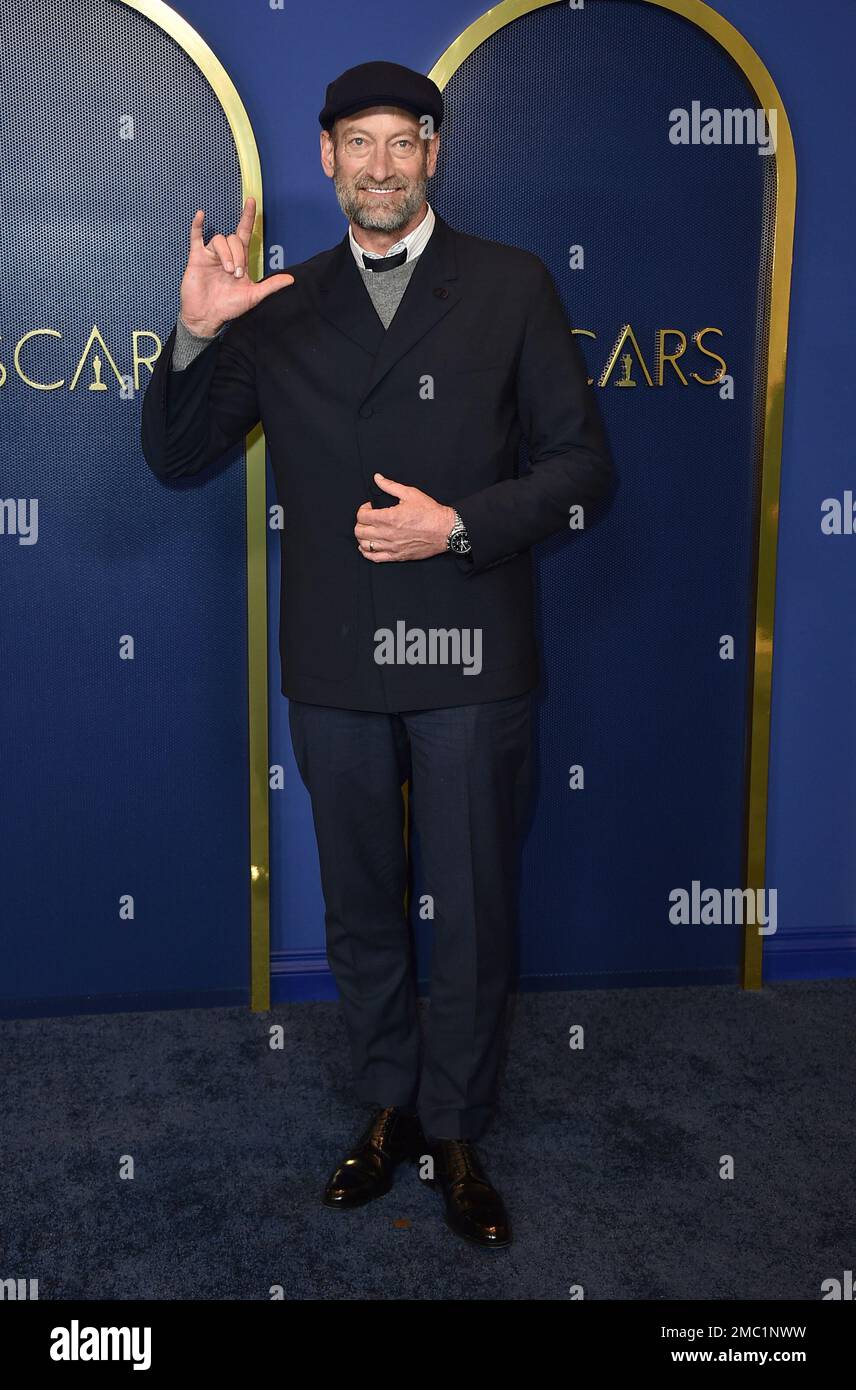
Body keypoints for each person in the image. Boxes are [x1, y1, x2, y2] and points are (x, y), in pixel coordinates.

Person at [141, 60, 615, 1251]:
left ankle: (458, 1130)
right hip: (336, 658)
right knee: (360, 906)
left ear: (434, 154)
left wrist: (455, 524)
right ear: (325, 159)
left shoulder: (510, 285)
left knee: (470, 902)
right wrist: (197, 336)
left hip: (471, 647)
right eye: (358, 141)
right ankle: (388, 1108)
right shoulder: (279, 302)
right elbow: (178, 457)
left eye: (404, 140)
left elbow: (581, 471)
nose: (381, 163)